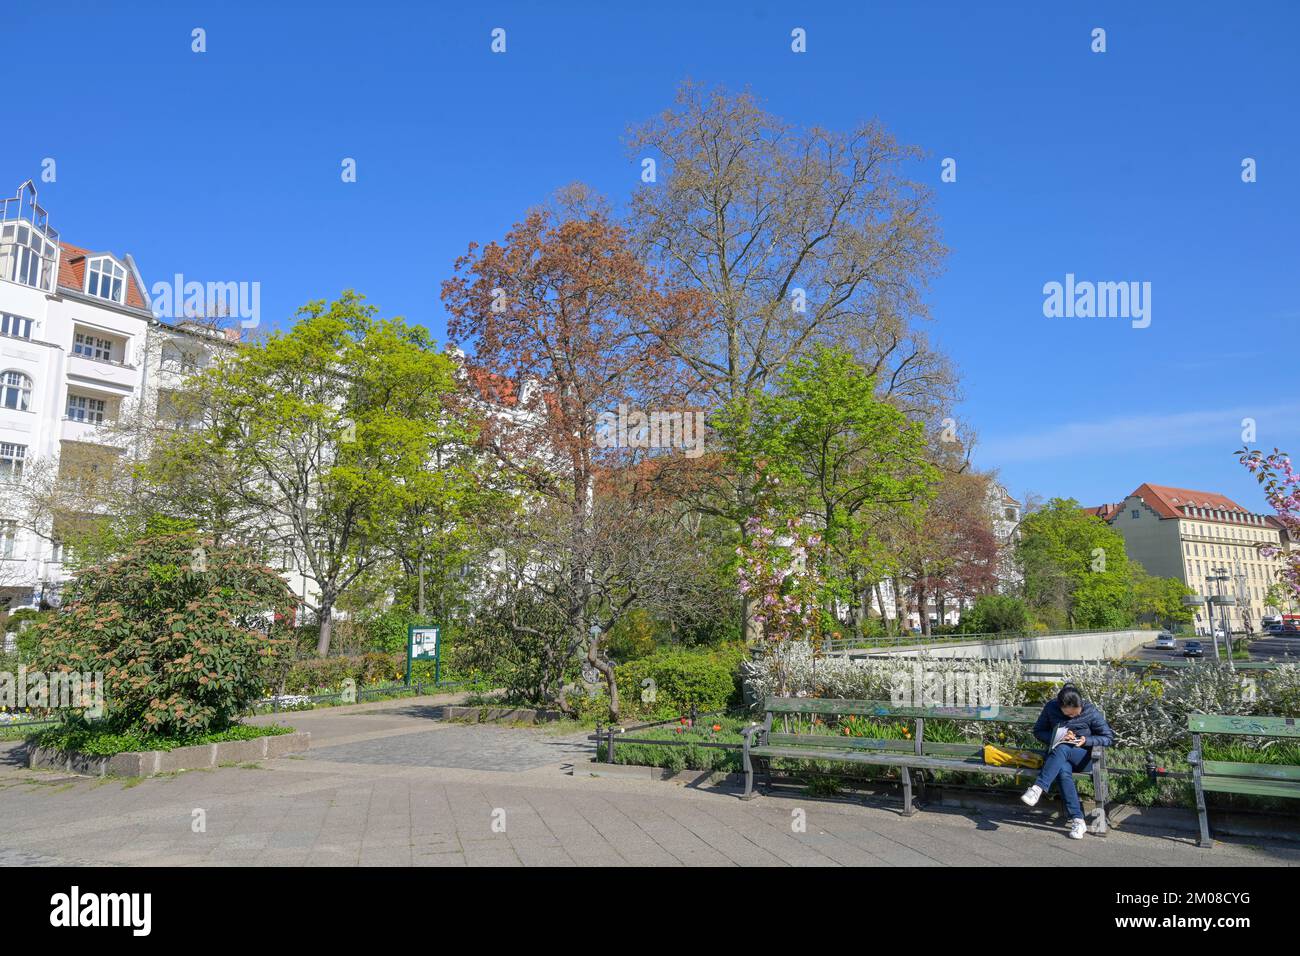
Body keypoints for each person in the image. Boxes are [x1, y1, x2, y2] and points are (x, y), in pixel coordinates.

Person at [1020, 684, 1114, 839]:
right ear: (1060, 706)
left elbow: (1108, 738)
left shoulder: (1089, 711)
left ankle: (1037, 788)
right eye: (1068, 715)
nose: (1072, 717)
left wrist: (1087, 740)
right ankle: (1078, 820)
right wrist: (1057, 737)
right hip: (1060, 758)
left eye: (1075, 714)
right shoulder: (1051, 708)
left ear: (1081, 705)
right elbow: (1038, 731)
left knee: (1063, 748)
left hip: (1085, 758)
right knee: (1063, 770)